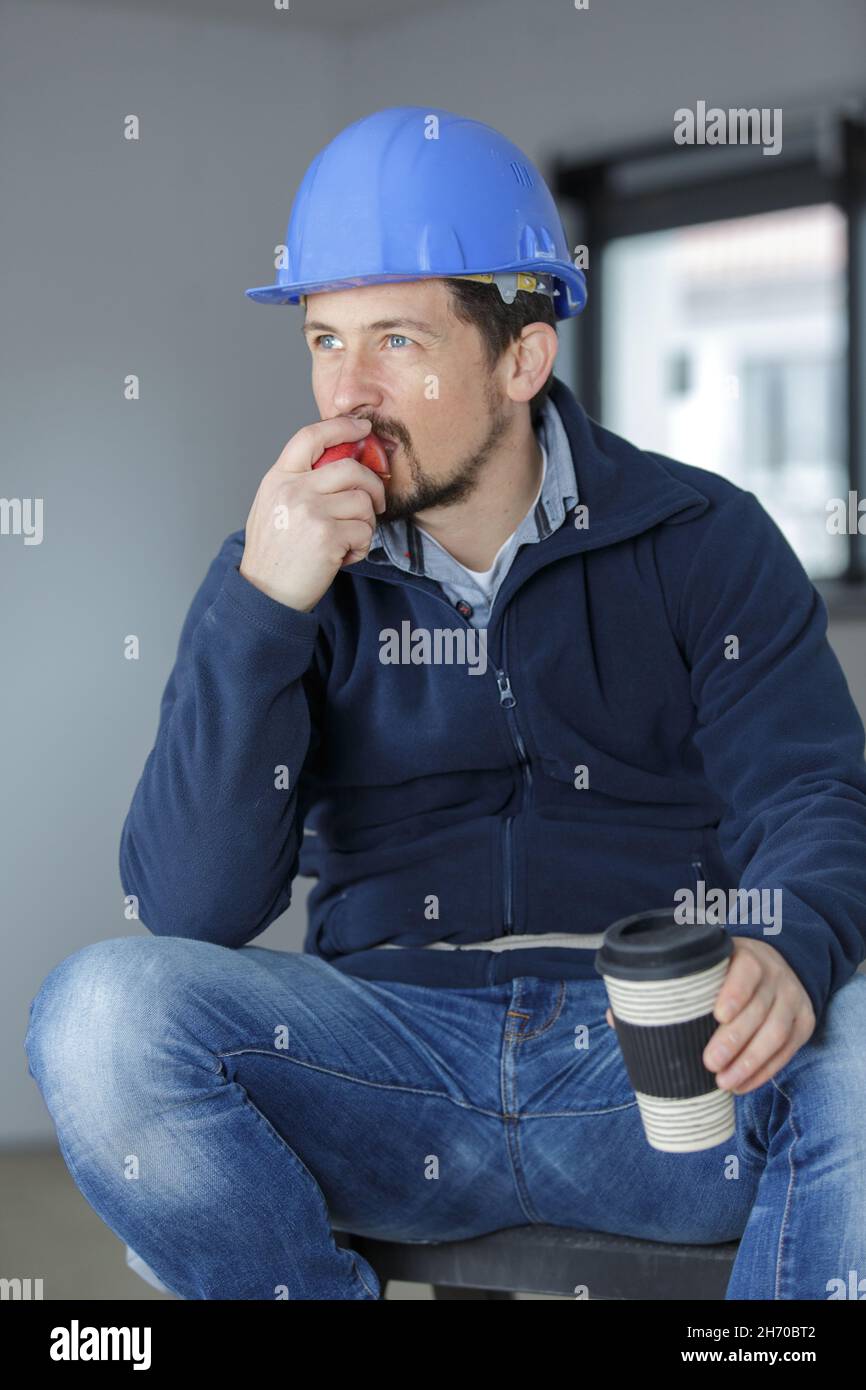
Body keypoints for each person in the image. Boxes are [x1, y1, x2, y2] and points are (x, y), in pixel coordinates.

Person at [25, 106, 866, 1301]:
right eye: (324, 340)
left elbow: (811, 794)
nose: (347, 393)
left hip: (650, 1074)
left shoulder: (700, 538)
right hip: (385, 1071)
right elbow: (192, 907)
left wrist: (785, 946)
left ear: (520, 359)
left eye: (396, 341)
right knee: (99, 1013)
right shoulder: (280, 573)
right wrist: (263, 607)